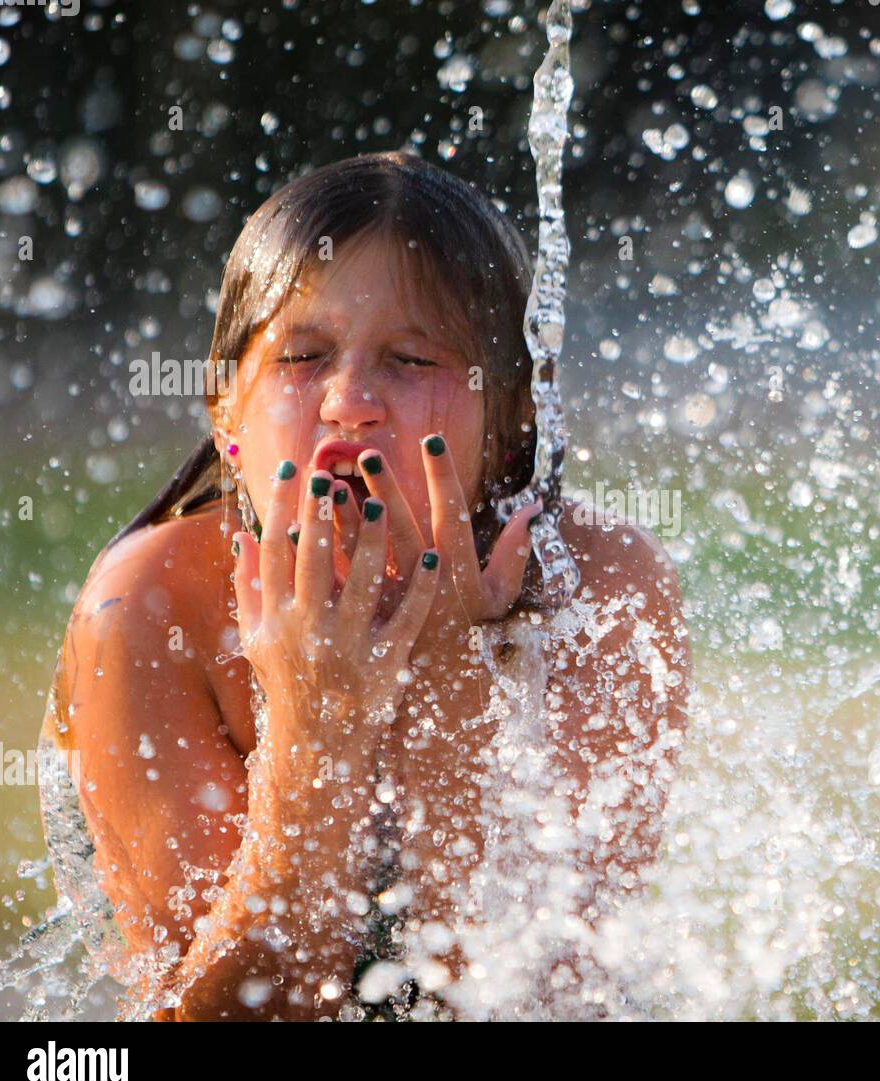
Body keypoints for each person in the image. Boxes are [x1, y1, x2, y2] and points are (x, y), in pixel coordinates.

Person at [43, 151, 691, 1020]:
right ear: (224, 405)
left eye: (412, 360)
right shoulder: (153, 611)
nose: (350, 400)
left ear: (512, 417)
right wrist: (314, 732)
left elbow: (538, 1001)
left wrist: (455, 685)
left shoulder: (599, 592)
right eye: (303, 354)